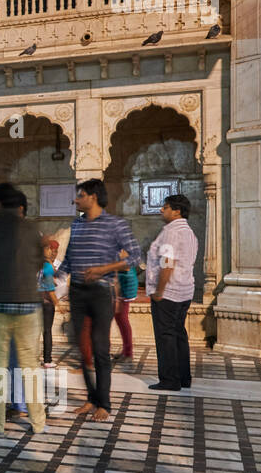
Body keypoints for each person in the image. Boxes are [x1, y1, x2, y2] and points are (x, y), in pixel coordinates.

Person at [56, 179, 143, 422]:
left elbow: (136, 257)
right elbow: (69, 261)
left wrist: (105, 268)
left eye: (80, 195)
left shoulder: (115, 224)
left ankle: (103, 403)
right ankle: (91, 399)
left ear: (93, 197)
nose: (75, 200)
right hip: (78, 292)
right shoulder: (77, 225)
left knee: (101, 348)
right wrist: (51, 281)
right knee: (82, 348)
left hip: (101, 292)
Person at [0, 184, 46, 436]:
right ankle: (38, 422)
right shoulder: (31, 229)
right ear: (20, 206)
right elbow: (40, 262)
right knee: (30, 367)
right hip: (29, 305)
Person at [146, 195, 199, 392]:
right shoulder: (188, 232)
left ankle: (169, 379)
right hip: (184, 290)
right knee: (178, 334)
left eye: (166, 207)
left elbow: (167, 262)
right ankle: (183, 377)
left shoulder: (171, 232)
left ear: (177, 211)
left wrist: (159, 290)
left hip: (168, 292)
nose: (162, 210)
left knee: (166, 335)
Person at [39, 238, 62, 368]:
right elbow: (50, 287)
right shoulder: (47, 266)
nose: (52, 253)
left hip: (36, 300)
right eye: (50, 250)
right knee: (47, 331)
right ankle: (47, 360)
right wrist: (57, 303)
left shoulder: (36, 263)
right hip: (47, 302)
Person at [112, 253, 138, 363]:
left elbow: (126, 265)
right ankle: (126, 351)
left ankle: (128, 353)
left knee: (123, 321)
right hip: (123, 288)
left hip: (125, 290)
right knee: (121, 321)